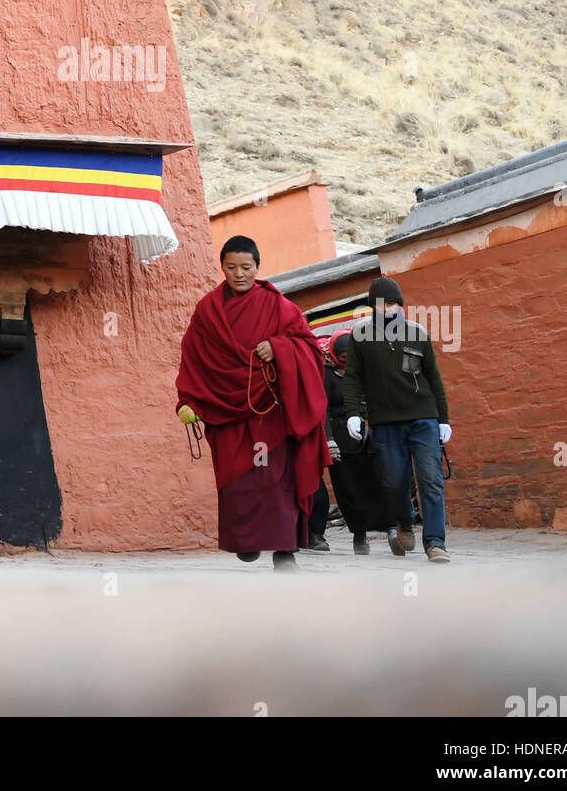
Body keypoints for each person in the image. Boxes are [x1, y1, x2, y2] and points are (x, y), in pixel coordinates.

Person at [175, 235, 330, 571]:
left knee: (276, 481)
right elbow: (193, 357)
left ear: (258, 267)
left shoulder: (278, 306)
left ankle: (284, 550)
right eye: (231, 267)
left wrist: (279, 347)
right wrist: (187, 399)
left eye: (246, 267)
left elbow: (310, 348)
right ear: (223, 268)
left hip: (270, 412)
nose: (239, 273)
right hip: (226, 411)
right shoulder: (208, 310)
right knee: (238, 482)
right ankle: (246, 542)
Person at [344, 276, 453, 562]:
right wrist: (353, 413)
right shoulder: (360, 336)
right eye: (381, 305)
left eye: (392, 303)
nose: (388, 309)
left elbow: (434, 379)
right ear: (372, 307)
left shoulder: (417, 332)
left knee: (431, 480)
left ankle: (435, 543)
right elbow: (353, 379)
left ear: (400, 305)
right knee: (395, 482)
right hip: (385, 422)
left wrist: (443, 419)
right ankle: (405, 521)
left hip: (423, 418)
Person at [325, 327, 392, 554]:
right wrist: (329, 440)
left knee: (380, 482)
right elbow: (322, 410)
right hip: (341, 441)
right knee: (349, 489)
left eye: (349, 358)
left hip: (370, 435)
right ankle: (359, 535)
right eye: (342, 359)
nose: (346, 363)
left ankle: (392, 528)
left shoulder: (367, 370)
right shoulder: (327, 374)